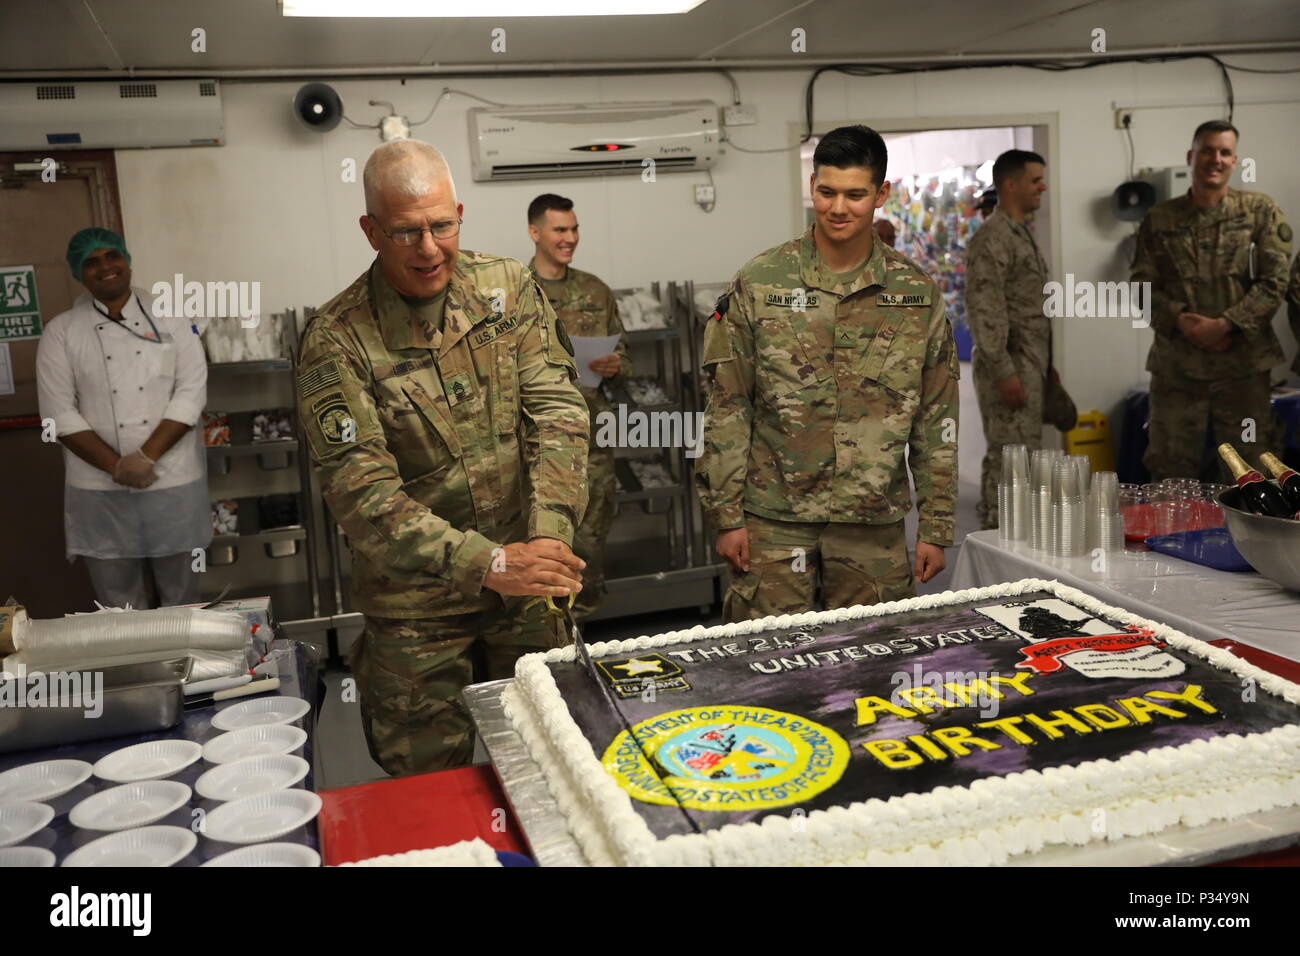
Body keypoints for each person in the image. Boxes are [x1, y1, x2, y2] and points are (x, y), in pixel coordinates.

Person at [297, 140, 589, 776]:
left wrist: (547, 539)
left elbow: (559, 414)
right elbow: (363, 496)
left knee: (558, 766)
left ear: (459, 212)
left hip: (527, 584)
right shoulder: (338, 339)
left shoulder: (506, 289)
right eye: (406, 233)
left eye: (441, 226)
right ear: (371, 231)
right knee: (434, 788)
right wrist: (489, 563)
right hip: (419, 613)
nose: (429, 248)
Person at [696, 124, 959, 622]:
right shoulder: (761, 281)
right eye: (827, 192)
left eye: (856, 195)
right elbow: (729, 407)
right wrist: (725, 515)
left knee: (875, 659)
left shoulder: (915, 293)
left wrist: (935, 526)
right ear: (812, 186)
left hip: (872, 521)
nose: (839, 208)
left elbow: (937, 419)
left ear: (881, 193)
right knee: (766, 659)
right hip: (775, 518)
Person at [36, 228, 210, 610]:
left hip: (172, 478)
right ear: (78, 274)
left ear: (127, 260)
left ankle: (186, 665)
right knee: (117, 602)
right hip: (99, 488)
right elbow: (58, 413)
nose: (105, 267)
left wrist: (145, 458)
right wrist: (118, 467)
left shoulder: (173, 319)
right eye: (91, 262)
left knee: (182, 596)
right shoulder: (61, 332)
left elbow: (191, 393)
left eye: (112, 256)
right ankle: (137, 670)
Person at [1133, 120, 1293, 481]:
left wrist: (1226, 324)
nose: (1215, 159)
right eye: (1207, 150)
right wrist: (1181, 320)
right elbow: (1141, 286)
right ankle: (1172, 539)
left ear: (1235, 161)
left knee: (1251, 470)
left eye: (1224, 152)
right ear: (1191, 156)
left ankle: (1248, 540)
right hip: (1177, 371)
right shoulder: (1159, 219)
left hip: (1242, 372)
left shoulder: (1260, 211)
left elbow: (1276, 281)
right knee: (1169, 471)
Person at [526, 194, 630, 621]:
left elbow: (625, 354)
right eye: (560, 230)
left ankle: (582, 630)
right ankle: (543, 639)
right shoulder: (515, 292)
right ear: (535, 233)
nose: (570, 238)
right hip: (533, 443)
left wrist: (616, 364)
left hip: (592, 444)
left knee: (589, 542)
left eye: (574, 229)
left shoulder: (595, 290)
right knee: (541, 545)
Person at [965, 149, 1067, 529]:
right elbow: (985, 310)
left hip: (1029, 364)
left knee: (1023, 456)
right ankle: (997, 535)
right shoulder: (993, 238)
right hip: (1007, 367)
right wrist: (1005, 372)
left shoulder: (1018, 232)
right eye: (1035, 180)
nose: (1043, 187)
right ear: (1010, 185)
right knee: (1010, 458)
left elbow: (1025, 309)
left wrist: (1046, 367)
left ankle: (1015, 537)